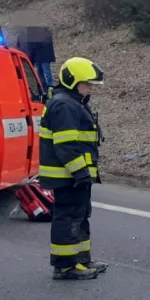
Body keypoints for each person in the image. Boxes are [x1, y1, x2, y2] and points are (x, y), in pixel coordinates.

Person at [40, 57, 107, 280]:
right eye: (87, 83)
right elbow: (66, 145)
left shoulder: (73, 102)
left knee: (81, 215)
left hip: (76, 174)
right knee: (68, 217)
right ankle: (65, 266)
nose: (91, 88)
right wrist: (80, 172)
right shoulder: (64, 105)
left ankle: (81, 259)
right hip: (68, 175)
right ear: (72, 81)